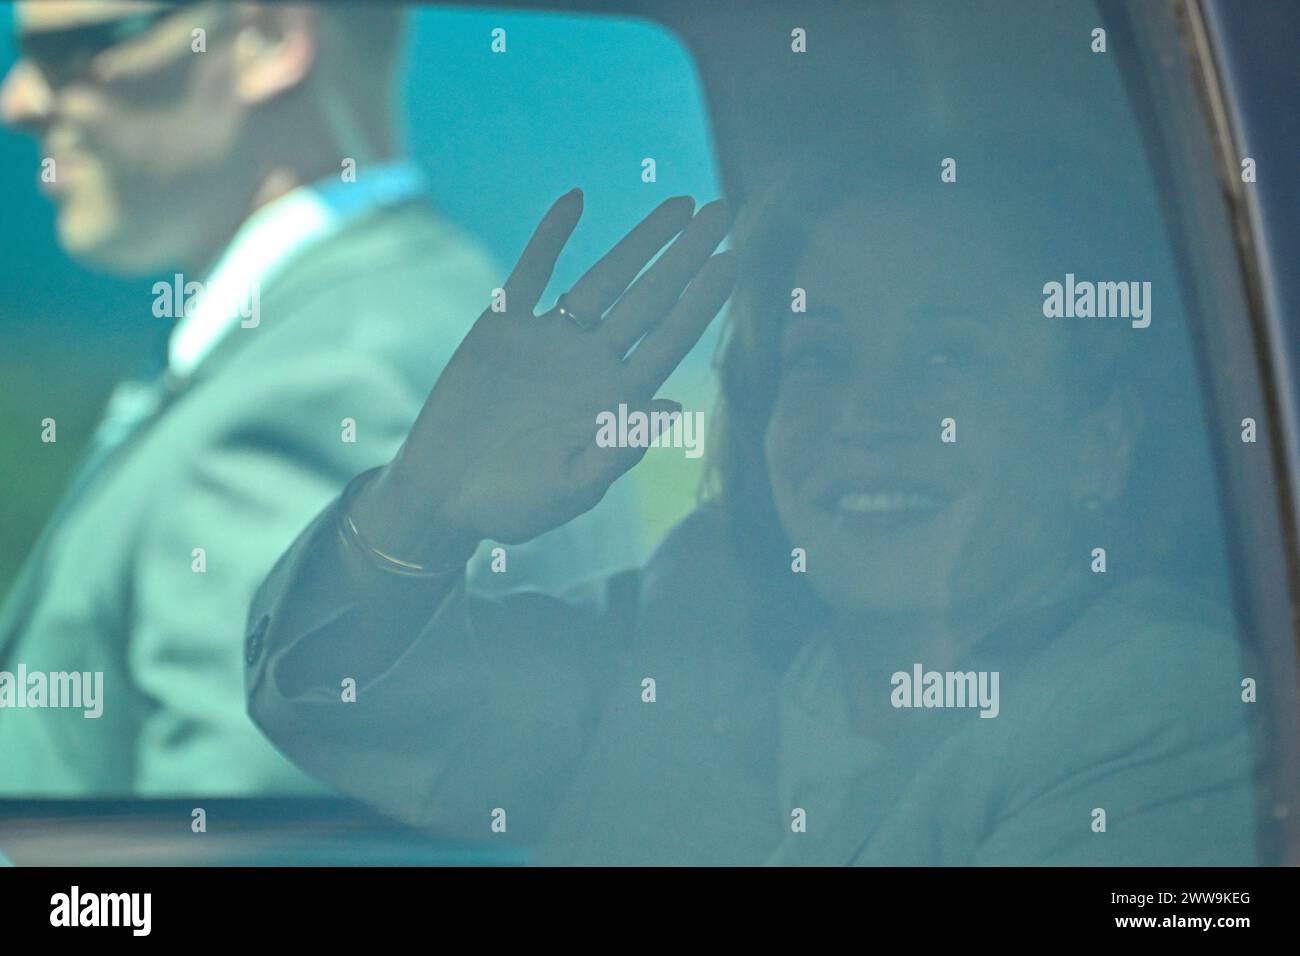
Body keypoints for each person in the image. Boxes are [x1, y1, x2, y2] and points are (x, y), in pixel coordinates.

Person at [246, 174, 1263, 865]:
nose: (862, 415)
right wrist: (425, 503)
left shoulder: (1166, 707)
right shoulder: (702, 615)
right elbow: (344, 706)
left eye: (948, 355)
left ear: (1100, 440)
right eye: (817, 356)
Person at [0, 1, 503, 795]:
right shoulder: (374, 323)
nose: (19, 101)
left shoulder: (332, 377)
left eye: (80, 49)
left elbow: (257, 842)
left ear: (268, 40)